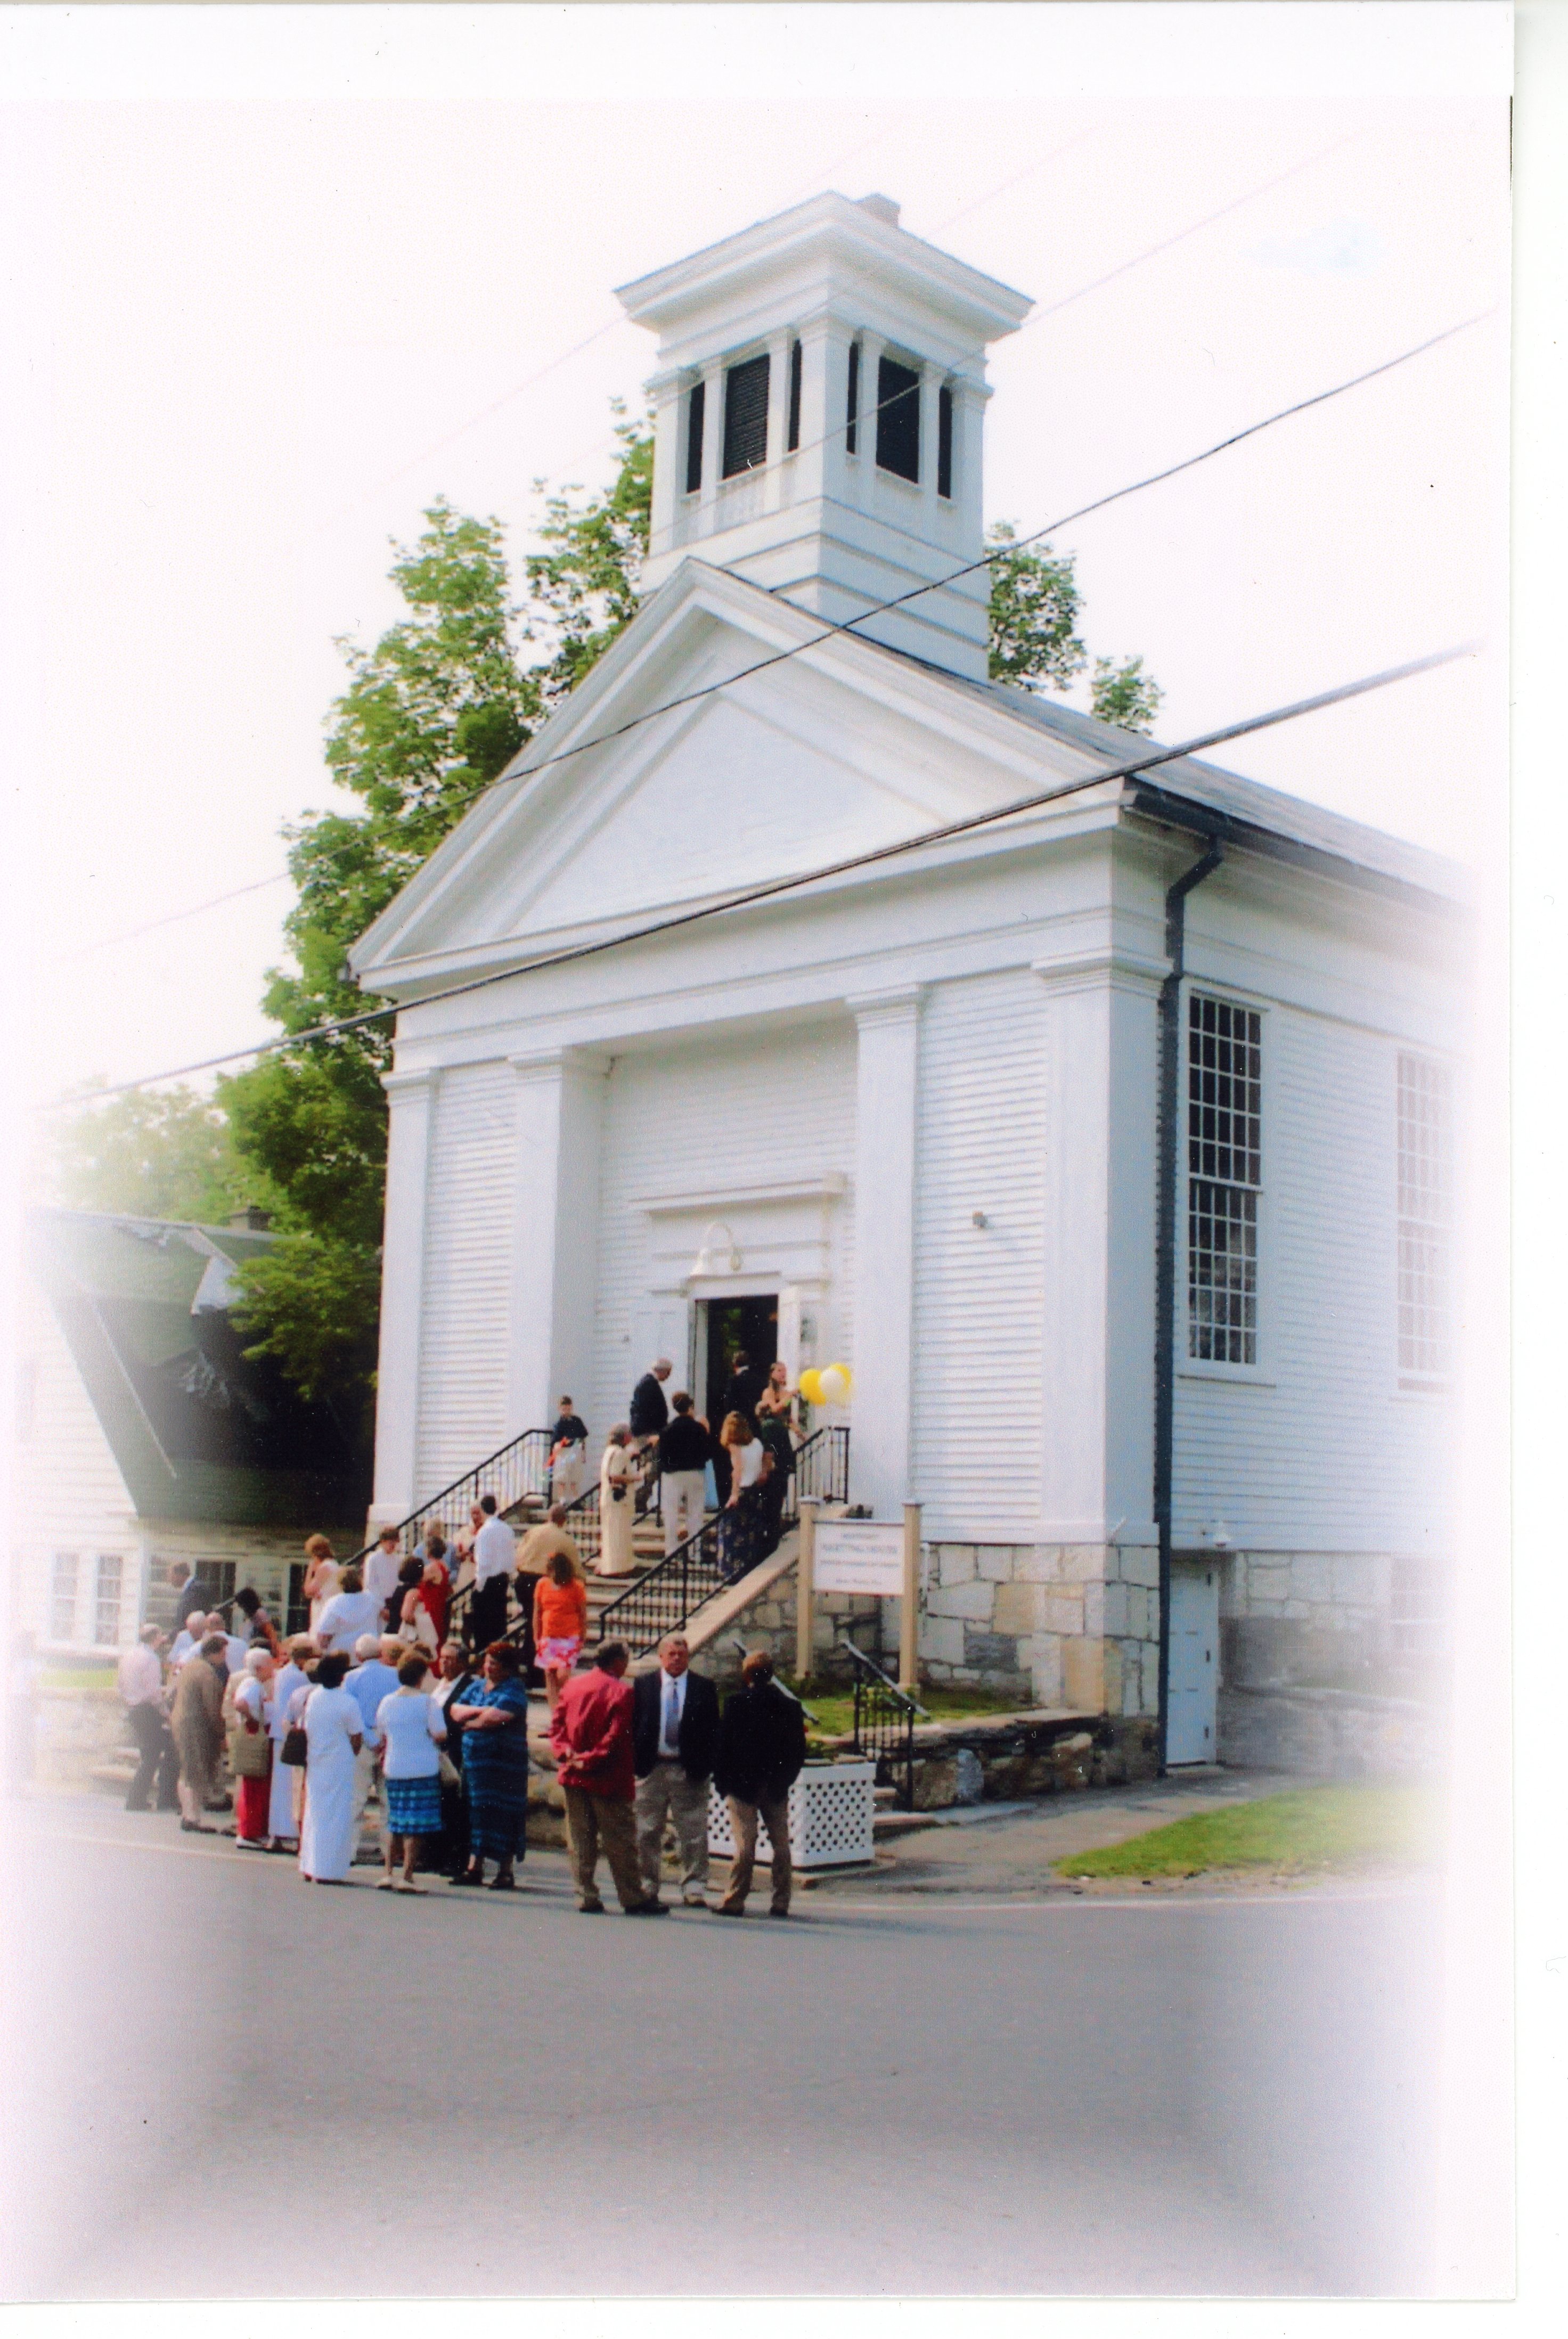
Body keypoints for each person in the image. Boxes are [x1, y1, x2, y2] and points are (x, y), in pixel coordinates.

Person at [550, 1640, 665, 1917]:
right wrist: (590, 1758)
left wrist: (568, 1754)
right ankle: (631, 1895)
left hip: (574, 1774)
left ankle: (586, 1894)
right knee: (621, 1840)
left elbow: (556, 1725)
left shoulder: (573, 1686)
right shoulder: (621, 1693)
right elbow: (614, 1738)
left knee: (580, 1839)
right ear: (618, 1663)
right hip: (608, 1777)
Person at [714, 1650, 806, 1918]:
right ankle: (781, 1900)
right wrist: (784, 1779)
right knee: (781, 1845)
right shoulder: (790, 1706)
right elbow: (797, 1751)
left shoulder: (735, 1704)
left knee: (745, 1844)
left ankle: (735, 1898)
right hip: (775, 1784)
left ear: (746, 1675)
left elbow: (723, 1746)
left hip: (743, 1785)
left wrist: (724, 1783)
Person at [633, 1634, 720, 1909]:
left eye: (681, 1655)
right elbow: (634, 1724)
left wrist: (705, 1764)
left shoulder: (703, 1687)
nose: (676, 1659)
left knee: (692, 1832)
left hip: (687, 1769)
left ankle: (694, 1886)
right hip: (652, 1767)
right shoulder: (644, 1685)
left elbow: (712, 1730)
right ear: (660, 1656)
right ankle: (647, 1884)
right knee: (647, 1831)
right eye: (671, 1654)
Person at [450, 1641, 532, 1889]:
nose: (487, 1667)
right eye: (487, 1662)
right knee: (478, 1813)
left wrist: (476, 1719)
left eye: (493, 1663)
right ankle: (474, 1867)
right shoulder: (476, 1686)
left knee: (504, 1813)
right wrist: (481, 1711)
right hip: (476, 1766)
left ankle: (504, 1871)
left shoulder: (514, 1689)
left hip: (504, 1767)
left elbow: (496, 1718)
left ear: (506, 1668)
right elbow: (455, 1711)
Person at [375, 1652, 447, 1893]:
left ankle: (387, 1873)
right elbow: (440, 1734)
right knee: (415, 1825)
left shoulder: (387, 1702)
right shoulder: (428, 1702)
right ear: (421, 1676)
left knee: (395, 1821)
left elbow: (381, 1732)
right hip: (422, 1766)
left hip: (395, 1766)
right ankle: (407, 1875)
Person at [298, 1650, 363, 1884]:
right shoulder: (348, 1702)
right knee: (336, 1814)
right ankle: (328, 1869)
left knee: (314, 1811)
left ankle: (309, 1863)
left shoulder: (314, 1697)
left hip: (316, 1757)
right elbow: (357, 1737)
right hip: (339, 1760)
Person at [514, 1506, 583, 1681]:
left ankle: (530, 1661)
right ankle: (535, 1668)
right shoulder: (564, 1539)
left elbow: (519, 1554)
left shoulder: (533, 1532)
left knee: (533, 1621)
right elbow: (574, 1565)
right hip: (542, 1581)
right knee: (538, 1624)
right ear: (563, 1520)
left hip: (523, 1578)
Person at [169, 1633, 227, 1831]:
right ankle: (191, 1817)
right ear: (215, 1653)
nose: (225, 1657)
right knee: (193, 1770)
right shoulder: (206, 1673)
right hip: (195, 1725)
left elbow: (172, 1692)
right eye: (223, 1653)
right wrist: (220, 1732)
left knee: (186, 1768)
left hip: (182, 1721)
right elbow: (212, 1706)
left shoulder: (190, 1667)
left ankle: (189, 1815)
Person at [429, 1640, 477, 1882]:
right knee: (440, 1806)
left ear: (462, 1663)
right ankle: (435, 1855)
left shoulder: (469, 1686)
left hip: (456, 1752)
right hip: (436, 1752)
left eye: (450, 1659)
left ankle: (456, 1859)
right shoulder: (440, 1685)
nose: (444, 1663)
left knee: (456, 1807)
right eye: (442, 1658)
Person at [345, 1635, 399, 1839]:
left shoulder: (352, 1678)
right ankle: (389, 1851)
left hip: (363, 1740)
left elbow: (352, 1713)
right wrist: (383, 1740)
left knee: (357, 1798)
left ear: (359, 1656)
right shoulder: (395, 1676)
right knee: (388, 1800)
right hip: (389, 1740)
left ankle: (348, 1850)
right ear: (380, 1653)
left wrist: (371, 1740)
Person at [118, 1625, 178, 1812]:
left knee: (150, 1753)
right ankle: (141, 1798)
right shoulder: (150, 1658)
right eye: (160, 1635)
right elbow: (154, 1693)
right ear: (154, 1637)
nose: (163, 1638)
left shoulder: (129, 1655)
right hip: (146, 1709)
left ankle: (140, 1798)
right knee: (154, 1754)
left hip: (134, 1708)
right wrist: (166, 1714)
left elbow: (120, 1684)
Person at [266, 1635, 314, 1849]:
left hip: (280, 1733)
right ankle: (291, 1833)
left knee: (280, 1788)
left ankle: (277, 1832)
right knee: (292, 1787)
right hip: (292, 1735)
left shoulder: (282, 1674)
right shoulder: (300, 1678)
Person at [226, 1648, 275, 1847]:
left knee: (255, 1787)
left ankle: (253, 1830)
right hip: (255, 1738)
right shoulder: (252, 1684)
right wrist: (253, 1721)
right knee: (254, 1788)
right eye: (268, 1665)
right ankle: (249, 1832)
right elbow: (240, 1704)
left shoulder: (255, 1684)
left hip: (255, 1735)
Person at [717, 1413, 773, 1580]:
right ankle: (748, 1567)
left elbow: (738, 1471)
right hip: (755, 1491)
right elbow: (764, 1462)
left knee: (729, 1531)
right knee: (750, 1531)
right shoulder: (757, 1443)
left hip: (742, 1490)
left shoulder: (735, 1446)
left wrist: (734, 1495)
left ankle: (730, 1570)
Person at [532, 1552, 589, 1714]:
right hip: (548, 1636)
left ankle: (567, 1709)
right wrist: (536, 1637)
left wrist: (583, 1637)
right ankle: (555, 1716)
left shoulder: (576, 1587)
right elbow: (537, 1612)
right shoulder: (542, 1584)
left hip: (569, 1637)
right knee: (549, 1676)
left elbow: (582, 1614)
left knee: (562, 1676)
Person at [657, 1392, 712, 1555]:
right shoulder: (699, 1429)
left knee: (671, 1512)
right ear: (690, 1407)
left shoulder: (667, 1430)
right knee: (695, 1512)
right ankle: (695, 1551)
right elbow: (707, 1452)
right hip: (695, 1472)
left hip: (673, 1475)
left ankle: (671, 1549)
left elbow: (662, 1456)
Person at [754, 1364, 797, 1554]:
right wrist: (789, 1397)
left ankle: (775, 1522)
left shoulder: (786, 1392)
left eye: (784, 1371)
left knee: (782, 1482)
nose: (783, 1374)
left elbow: (788, 1418)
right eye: (779, 1371)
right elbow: (775, 1410)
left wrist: (799, 1432)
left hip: (782, 1436)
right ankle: (770, 1528)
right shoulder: (768, 1392)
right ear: (772, 1373)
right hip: (773, 1435)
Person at [469, 1495, 515, 1650]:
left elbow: (483, 1563)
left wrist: (479, 1586)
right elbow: (510, 1559)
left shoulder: (484, 1532)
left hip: (488, 1582)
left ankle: (483, 1657)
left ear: (482, 1510)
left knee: (482, 1627)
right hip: (502, 1579)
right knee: (498, 1623)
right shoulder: (507, 1529)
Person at [597, 1426, 640, 1576]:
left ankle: (608, 1566)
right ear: (624, 1437)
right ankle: (618, 1569)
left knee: (611, 1536)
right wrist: (636, 1477)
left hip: (608, 1499)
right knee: (618, 1536)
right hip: (618, 1501)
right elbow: (615, 1476)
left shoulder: (609, 1451)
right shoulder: (620, 1453)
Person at [314, 1568, 381, 1655]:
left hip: (342, 1654)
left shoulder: (334, 1602)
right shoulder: (372, 1599)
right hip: (368, 1652)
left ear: (341, 1583)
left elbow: (324, 1633)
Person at [628, 1358, 672, 1453]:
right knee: (650, 1462)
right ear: (662, 1371)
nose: (668, 1376)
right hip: (648, 1433)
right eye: (668, 1373)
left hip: (644, 1430)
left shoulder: (646, 1382)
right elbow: (649, 1410)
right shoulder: (650, 1384)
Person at [550, 1398, 589, 1504]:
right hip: (563, 1451)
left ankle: (575, 1498)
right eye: (564, 1409)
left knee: (575, 1475)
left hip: (575, 1449)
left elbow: (583, 1436)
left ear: (571, 1408)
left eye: (568, 1408)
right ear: (560, 1409)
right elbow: (555, 1440)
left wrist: (583, 1453)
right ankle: (562, 1498)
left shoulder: (577, 1421)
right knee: (562, 1475)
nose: (566, 1411)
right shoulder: (559, 1424)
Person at [364, 1527, 404, 1628]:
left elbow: (399, 1583)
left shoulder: (398, 1560)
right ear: (383, 1542)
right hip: (377, 1606)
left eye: (396, 1542)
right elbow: (370, 1585)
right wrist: (382, 1608)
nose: (393, 1545)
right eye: (391, 1542)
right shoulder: (373, 1559)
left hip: (393, 1606)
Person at [301, 1535, 340, 1634]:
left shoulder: (325, 1567)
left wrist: (310, 1570)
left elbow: (308, 1591)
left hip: (323, 1609)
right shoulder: (334, 1565)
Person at [233, 1586, 282, 1658]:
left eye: (241, 1604)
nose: (240, 1606)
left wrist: (274, 1651)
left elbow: (272, 1634)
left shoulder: (260, 1615)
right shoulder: (249, 1617)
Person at [168, 1561, 210, 1629]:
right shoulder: (189, 1589)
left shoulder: (196, 1589)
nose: (170, 1580)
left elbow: (192, 1616)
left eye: (172, 1576)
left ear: (180, 1575)